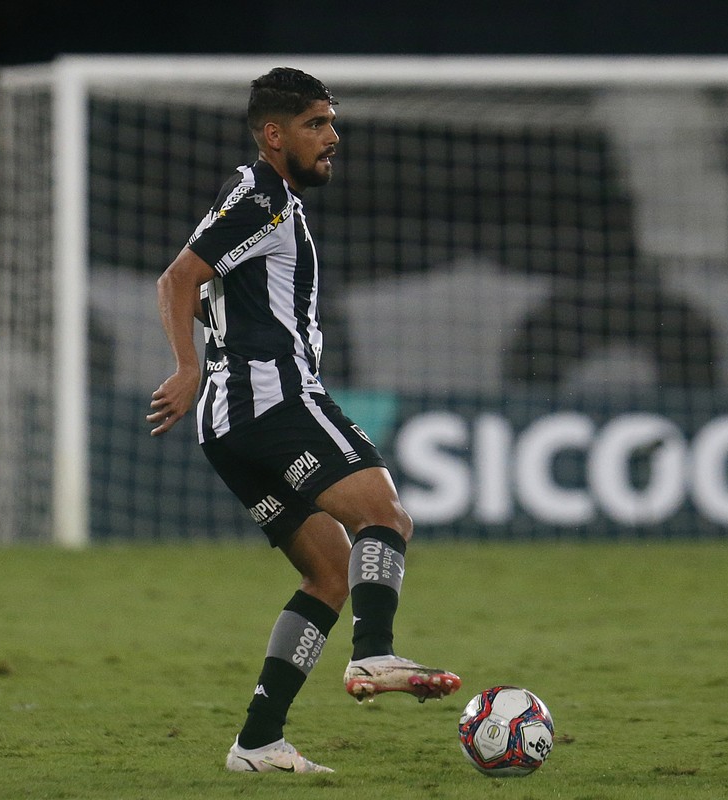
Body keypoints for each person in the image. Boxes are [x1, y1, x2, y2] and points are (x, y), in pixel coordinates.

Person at [147, 67, 461, 774]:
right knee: (384, 514)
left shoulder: (251, 195)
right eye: (317, 124)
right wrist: (188, 365)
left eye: (330, 121)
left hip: (230, 426)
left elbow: (206, 286)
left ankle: (257, 742)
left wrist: (215, 337)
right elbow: (178, 279)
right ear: (274, 133)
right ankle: (375, 654)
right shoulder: (263, 198)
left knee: (327, 576)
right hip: (273, 401)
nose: (332, 137)